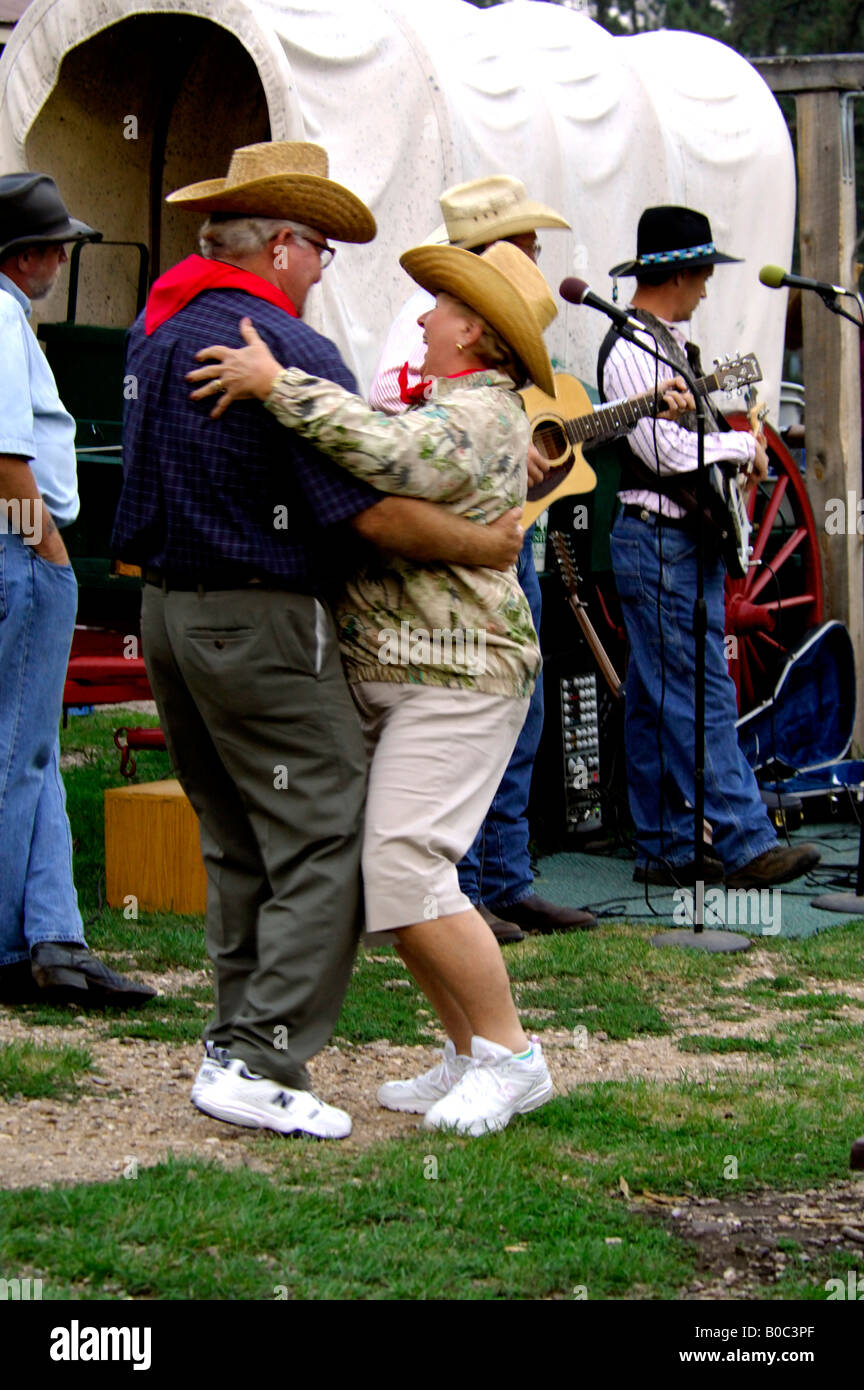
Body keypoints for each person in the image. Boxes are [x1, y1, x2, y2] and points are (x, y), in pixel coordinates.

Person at [190, 241, 691, 1135]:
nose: (420, 320)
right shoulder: (461, 406)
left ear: (475, 331)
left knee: (403, 865)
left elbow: (388, 454)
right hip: (416, 674)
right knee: (403, 875)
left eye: (437, 309)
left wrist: (278, 385)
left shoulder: (482, 414)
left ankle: (512, 1058)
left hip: (457, 677)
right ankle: (466, 1052)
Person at [111, 142, 523, 1141]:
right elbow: (368, 519)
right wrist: (488, 544)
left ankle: (234, 1037)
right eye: (326, 249)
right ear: (285, 245)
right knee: (329, 832)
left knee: (239, 835)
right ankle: (263, 1057)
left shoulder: (157, 325)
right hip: (260, 620)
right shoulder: (285, 347)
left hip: (163, 613)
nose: (328, 266)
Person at [370, 174, 596, 943]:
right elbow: (394, 415)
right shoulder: (427, 318)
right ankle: (463, 886)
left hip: (503, 529)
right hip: (458, 546)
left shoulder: (481, 322)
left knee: (518, 712)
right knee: (469, 704)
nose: (533, 255)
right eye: (523, 244)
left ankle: (504, 876)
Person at [598, 205, 820, 889]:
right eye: (702, 275)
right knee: (700, 696)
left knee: (652, 698)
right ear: (682, 273)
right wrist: (736, 445)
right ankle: (747, 838)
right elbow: (659, 449)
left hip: (669, 540)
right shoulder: (635, 351)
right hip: (658, 537)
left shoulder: (659, 344)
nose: (706, 289)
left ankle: (665, 842)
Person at [0, 173, 157, 1009]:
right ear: (29, 255)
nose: (64, 257)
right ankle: (17, 944)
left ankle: (51, 937)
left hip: (17, 547)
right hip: (21, 547)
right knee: (20, 752)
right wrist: (51, 547)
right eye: (57, 245)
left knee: (30, 750)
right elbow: (3, 454)